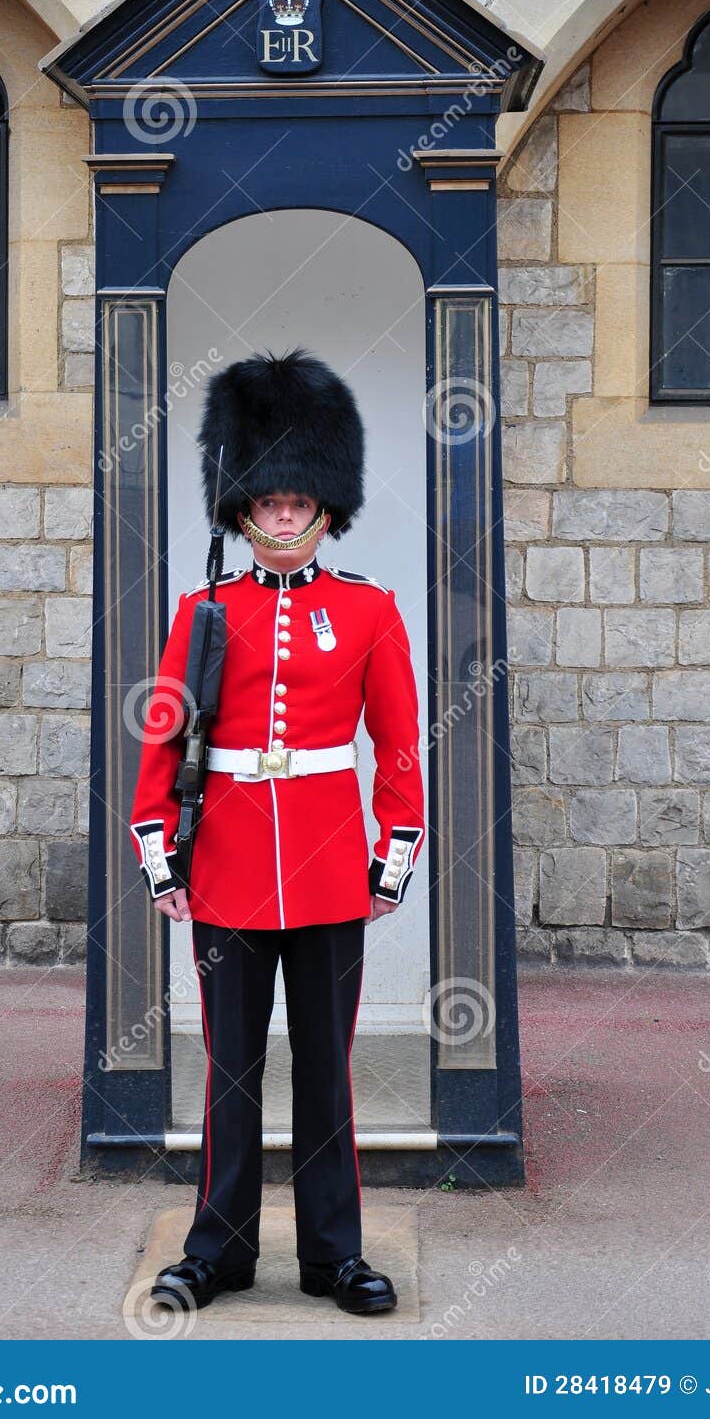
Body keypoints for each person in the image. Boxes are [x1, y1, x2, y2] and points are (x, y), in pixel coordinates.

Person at [129, 347, 425, 1315]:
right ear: (242, 509)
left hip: (333, 865)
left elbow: (396, 745)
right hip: (225, 867)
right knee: (230, 1073)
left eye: (301, 500)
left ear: (326, 508)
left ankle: (333, 1256)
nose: (285, 514)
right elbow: (166, 735)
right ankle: (216, 1252)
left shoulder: (371, 611)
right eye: (269, 501)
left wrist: (396, 849)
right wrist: (156, 846)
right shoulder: (202, 611)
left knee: (326, 1077)